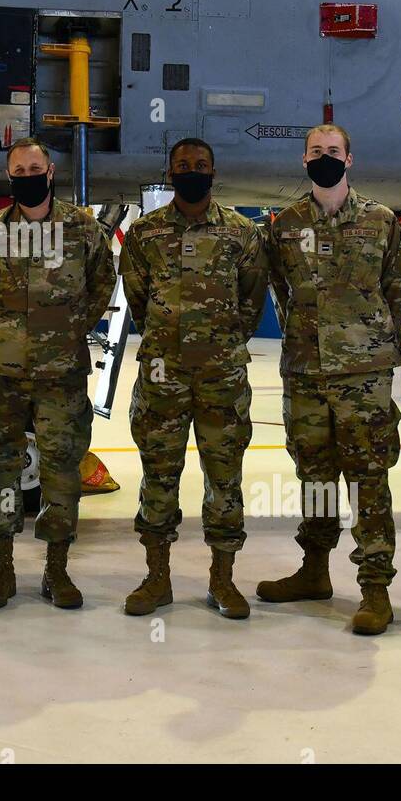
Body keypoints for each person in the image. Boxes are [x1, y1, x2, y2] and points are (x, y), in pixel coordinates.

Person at [259, 123, 401, 635]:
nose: (325, 157)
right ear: (304, 160)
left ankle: (375, 589)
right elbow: (280, 290)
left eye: (334, 151)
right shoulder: (285, 225)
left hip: (364, 377)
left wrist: (376, 347)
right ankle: (315, 571)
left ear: (350, 159)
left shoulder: (382, 221)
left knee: (369, 479)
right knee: (315, 476)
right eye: (316, 151)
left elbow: (400, 289)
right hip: (305, 372)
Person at [0, 137, 116, 610]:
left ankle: (57, 571)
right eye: (18, 170)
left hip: (61, 373)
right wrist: (11, 332)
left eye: (35, 168)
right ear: (10, 177)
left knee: (61, 470)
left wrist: (65, 331)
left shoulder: (83, 229)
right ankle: (2, 570)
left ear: (50, 172)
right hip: (0, 374)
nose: (27, 176)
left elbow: (101, 285)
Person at [119, 138, 268, 619]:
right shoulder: (145, 234)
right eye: (183, 165)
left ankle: (222, 582)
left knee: (224, 479)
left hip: (222, 376)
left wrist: (218, 346)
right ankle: (156, 578)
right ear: (170, 170)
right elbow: (138, 301)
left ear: (213, 170)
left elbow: (252, 303)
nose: (192, 171)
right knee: (158, 476)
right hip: (163, 375)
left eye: (200, 165)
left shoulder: (242, 233)